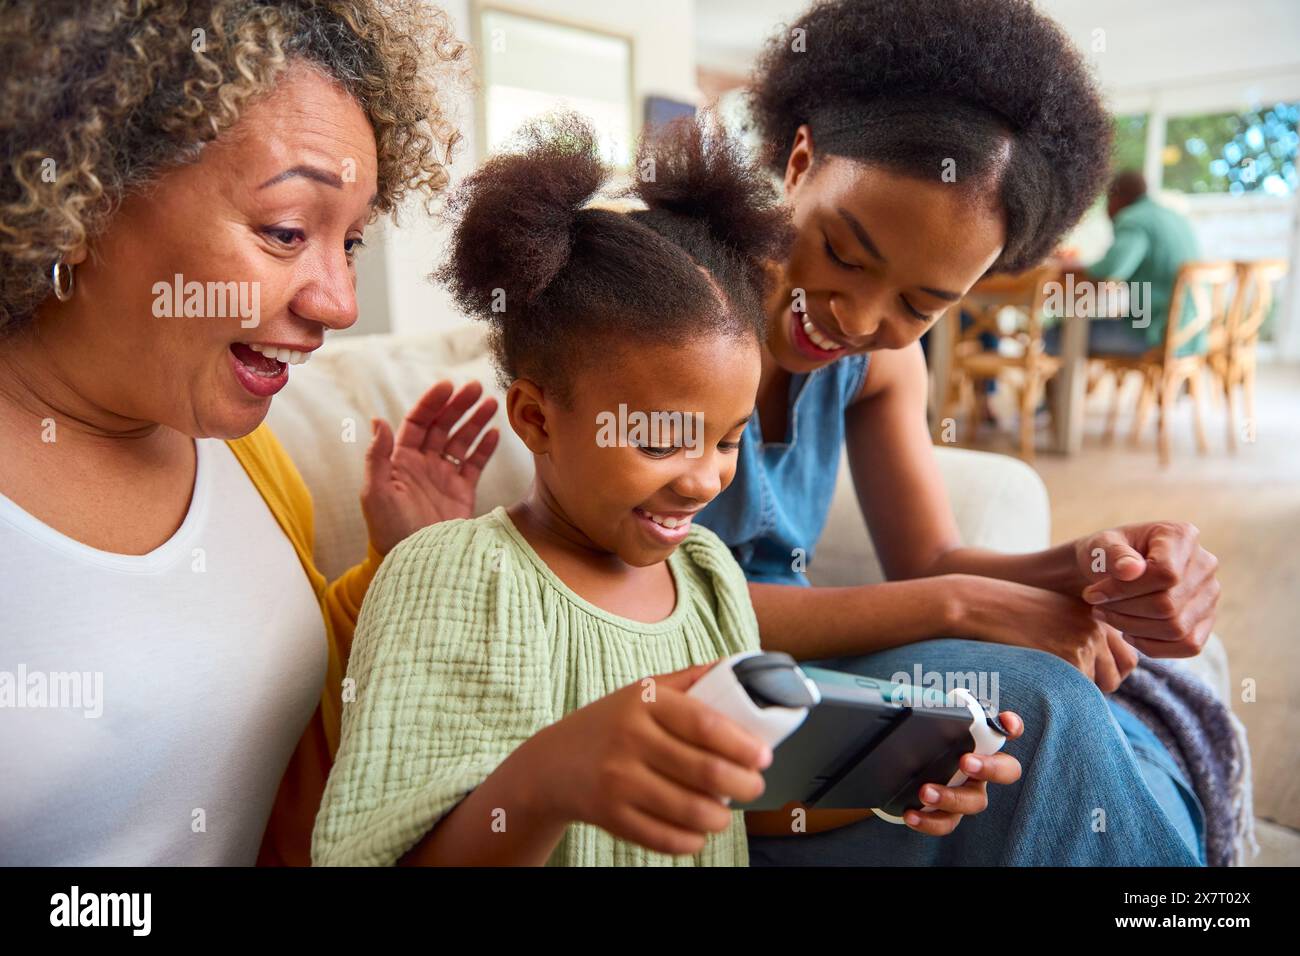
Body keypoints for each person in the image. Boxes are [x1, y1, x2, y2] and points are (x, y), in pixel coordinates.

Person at [311, 117, 1026, 866]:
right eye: (658, 440)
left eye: (728, 440)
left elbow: (735, 814)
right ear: (534, 418)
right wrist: (552, 777)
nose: (703, 479)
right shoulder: (451, 577)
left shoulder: (712, 577)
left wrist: (885, 787)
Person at [694, 0, 1218, 864]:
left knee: (1109, 743)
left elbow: (929, 559)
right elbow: (646, 608)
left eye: (919, 304)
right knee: (1043, 711)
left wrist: (1095, 564)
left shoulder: (883, 368)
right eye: (845, 252)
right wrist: (966, 607)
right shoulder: (676, 319)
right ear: (799, 161)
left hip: (804, 679)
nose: (855, 317)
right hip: (695, 689)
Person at [0, 0, 500, 866]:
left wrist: (404, 570)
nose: (337, 303)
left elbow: (279, 736)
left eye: (350, 242)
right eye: (285, 232)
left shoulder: (242, 451)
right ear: (76, 197)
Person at [1050, 170, 1203, 356]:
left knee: (1057, 336)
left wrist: (1071, 266)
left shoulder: (1135, 220)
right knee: (1079, 329)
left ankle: (1057, 385)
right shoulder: (1173, 217)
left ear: (1116, 198)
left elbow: (1111, 271)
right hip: (1192, 332)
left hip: (1154, 333)